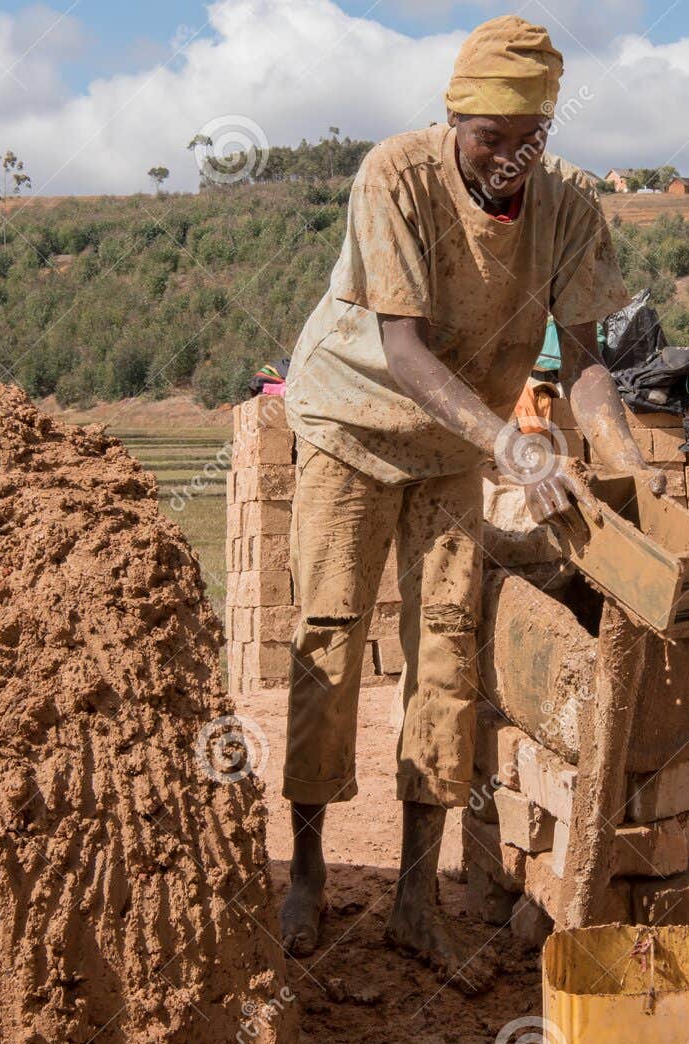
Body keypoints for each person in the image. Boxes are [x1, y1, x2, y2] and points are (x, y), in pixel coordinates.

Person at [277, 14, 648, 993]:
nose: (507, 161)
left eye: (527, 140)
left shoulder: (566, 209)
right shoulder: (394, 176)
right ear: (454, 121)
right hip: (351, 422)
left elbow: (588, 356)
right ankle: (307, 874)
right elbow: (402, 348)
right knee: (330, 636)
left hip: (453, 442)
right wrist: (511, 446)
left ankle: (414, 899)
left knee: (443, 653)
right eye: (489, 139)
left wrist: (625, 467)